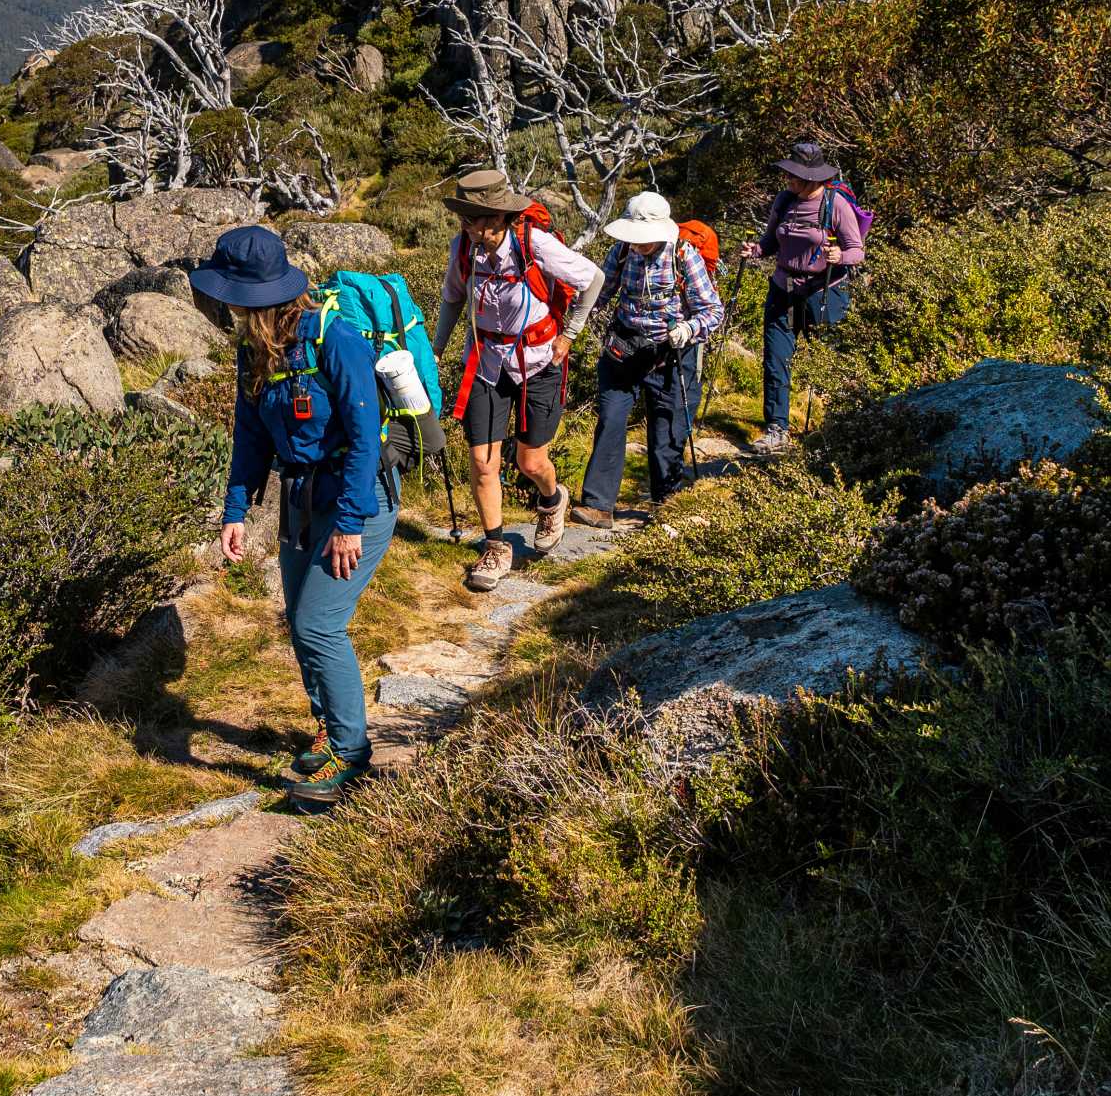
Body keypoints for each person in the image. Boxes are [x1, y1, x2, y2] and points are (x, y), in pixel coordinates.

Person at [199, 224, 397, 799]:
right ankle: (328, 722)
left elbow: (364, 436)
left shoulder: (334, 340)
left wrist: (350, 523)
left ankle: (351, 754)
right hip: (301, 497)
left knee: (319, 623)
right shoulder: (253, 350)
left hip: (358, 497)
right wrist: (236, 508)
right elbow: (249, 435)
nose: (222, 306)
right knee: (300, 619)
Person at [431, 170, 604, 592]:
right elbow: (453, 299)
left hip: (540, 361)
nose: (481, 230)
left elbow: (592, 280)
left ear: (506, 218)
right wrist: (434, 351)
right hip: (486, 363)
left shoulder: (534, 245)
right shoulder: (462, 251)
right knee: (482, 463)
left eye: (489, 221)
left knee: (530, 462)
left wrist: (570, 335)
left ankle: (552, 499)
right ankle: (496, 544)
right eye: (472, 221)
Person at [570, 189, 725, 528]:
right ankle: (598, 505)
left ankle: (666, 504)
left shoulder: (684, 256)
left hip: (671, 354)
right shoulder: (621, 251)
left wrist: (688, 329)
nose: (638, 244)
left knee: (666, 431)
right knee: (611, 418)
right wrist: (571, 322)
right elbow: (600, 292)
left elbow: (713, 311)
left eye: (643, 239)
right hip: (624, 348)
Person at [740, 140, 866, 454]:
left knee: (823, 363)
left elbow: (857, 251)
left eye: (793, 175)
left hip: (821, 294)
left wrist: (840, 254)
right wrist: (755, 251)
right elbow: (770, 242)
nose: (787, 180)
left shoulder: (835, 205)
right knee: (776, 360)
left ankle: (838, 426)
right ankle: (776, 430)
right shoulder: (784, 201)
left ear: (812, 178)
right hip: (783, 291)